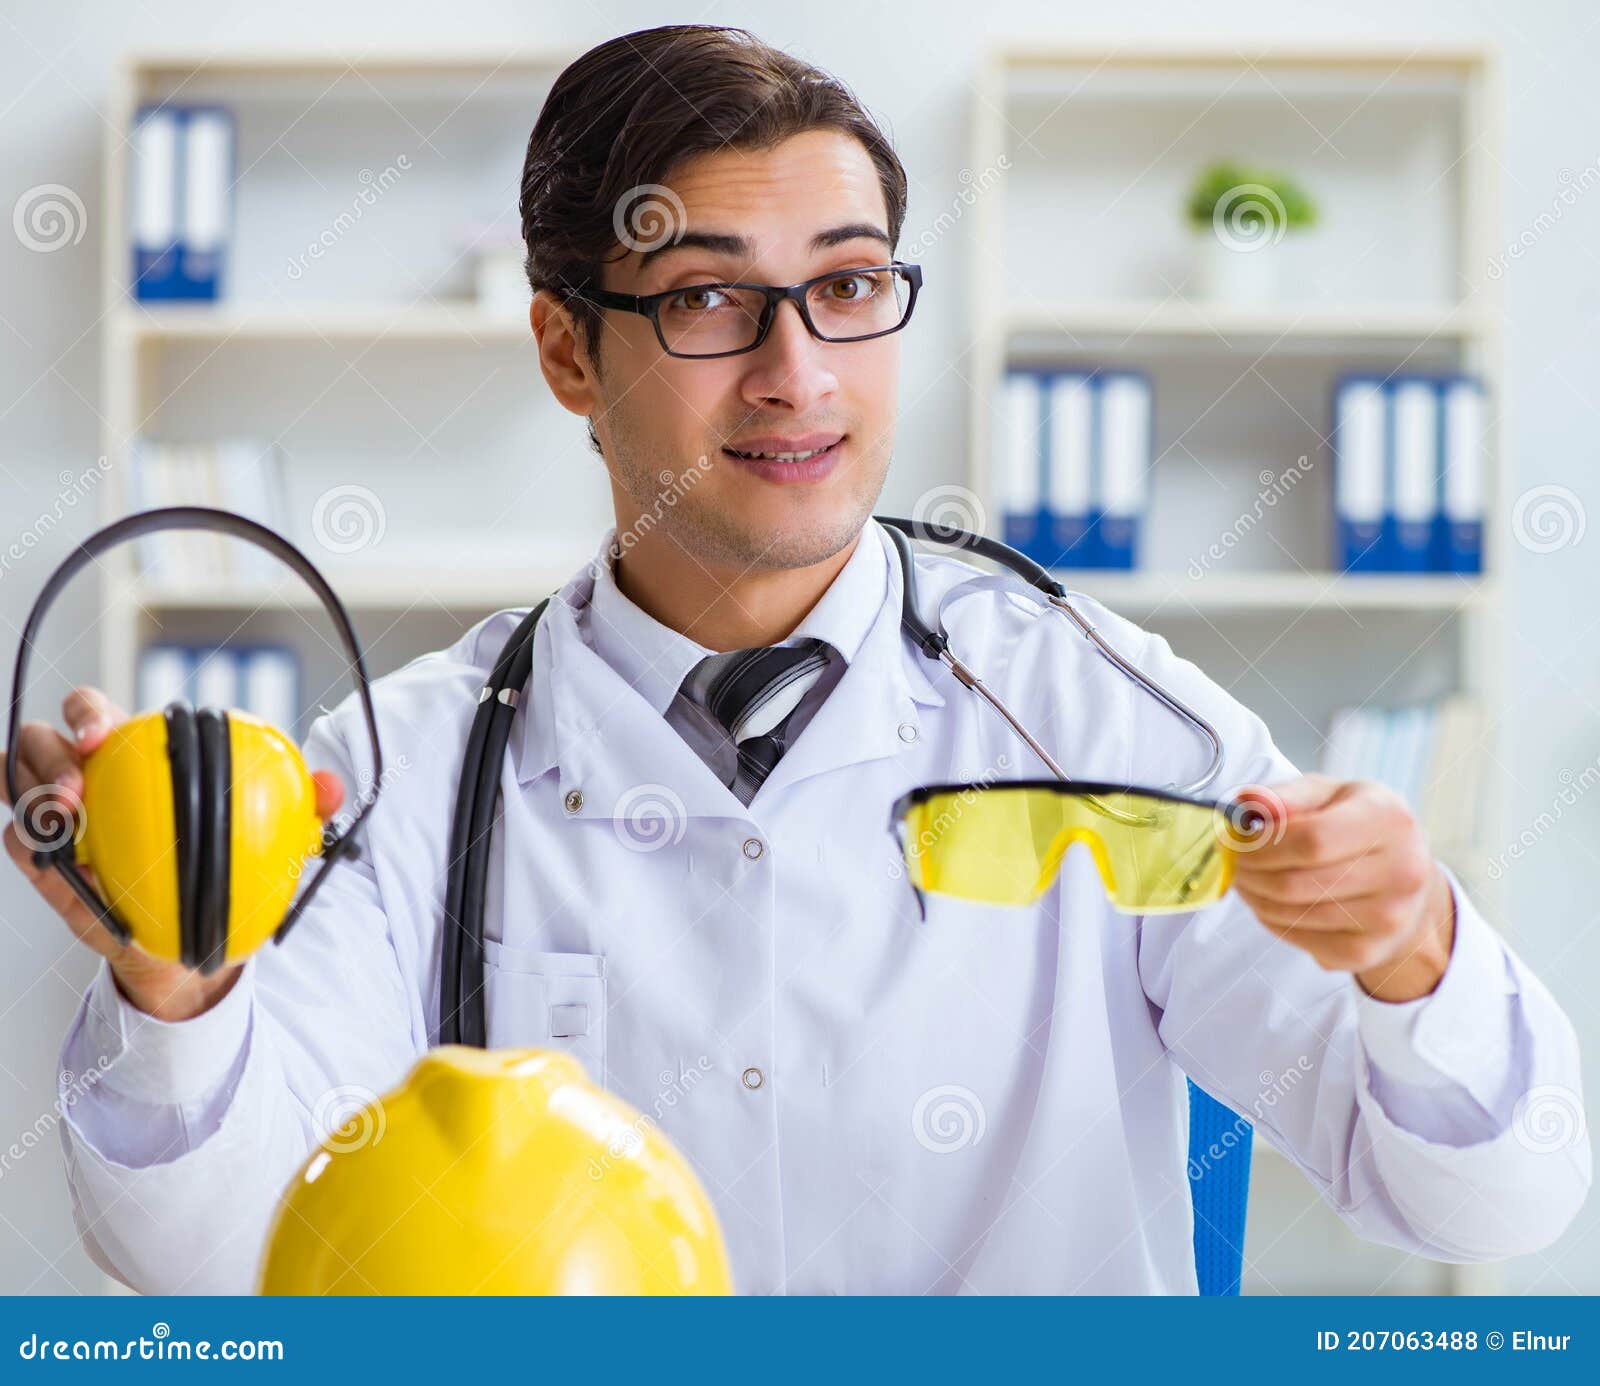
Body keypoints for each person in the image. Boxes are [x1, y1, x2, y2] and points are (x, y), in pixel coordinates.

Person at [4, 24, 1589, 1295]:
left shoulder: (1097, 711)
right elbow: (209, 1265)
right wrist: (177, 978)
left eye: (846, 287)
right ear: (570, 349)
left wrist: (1410, 952)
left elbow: (1495, 1187)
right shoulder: (410, 765)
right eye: (707, 298)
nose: (798, 373)